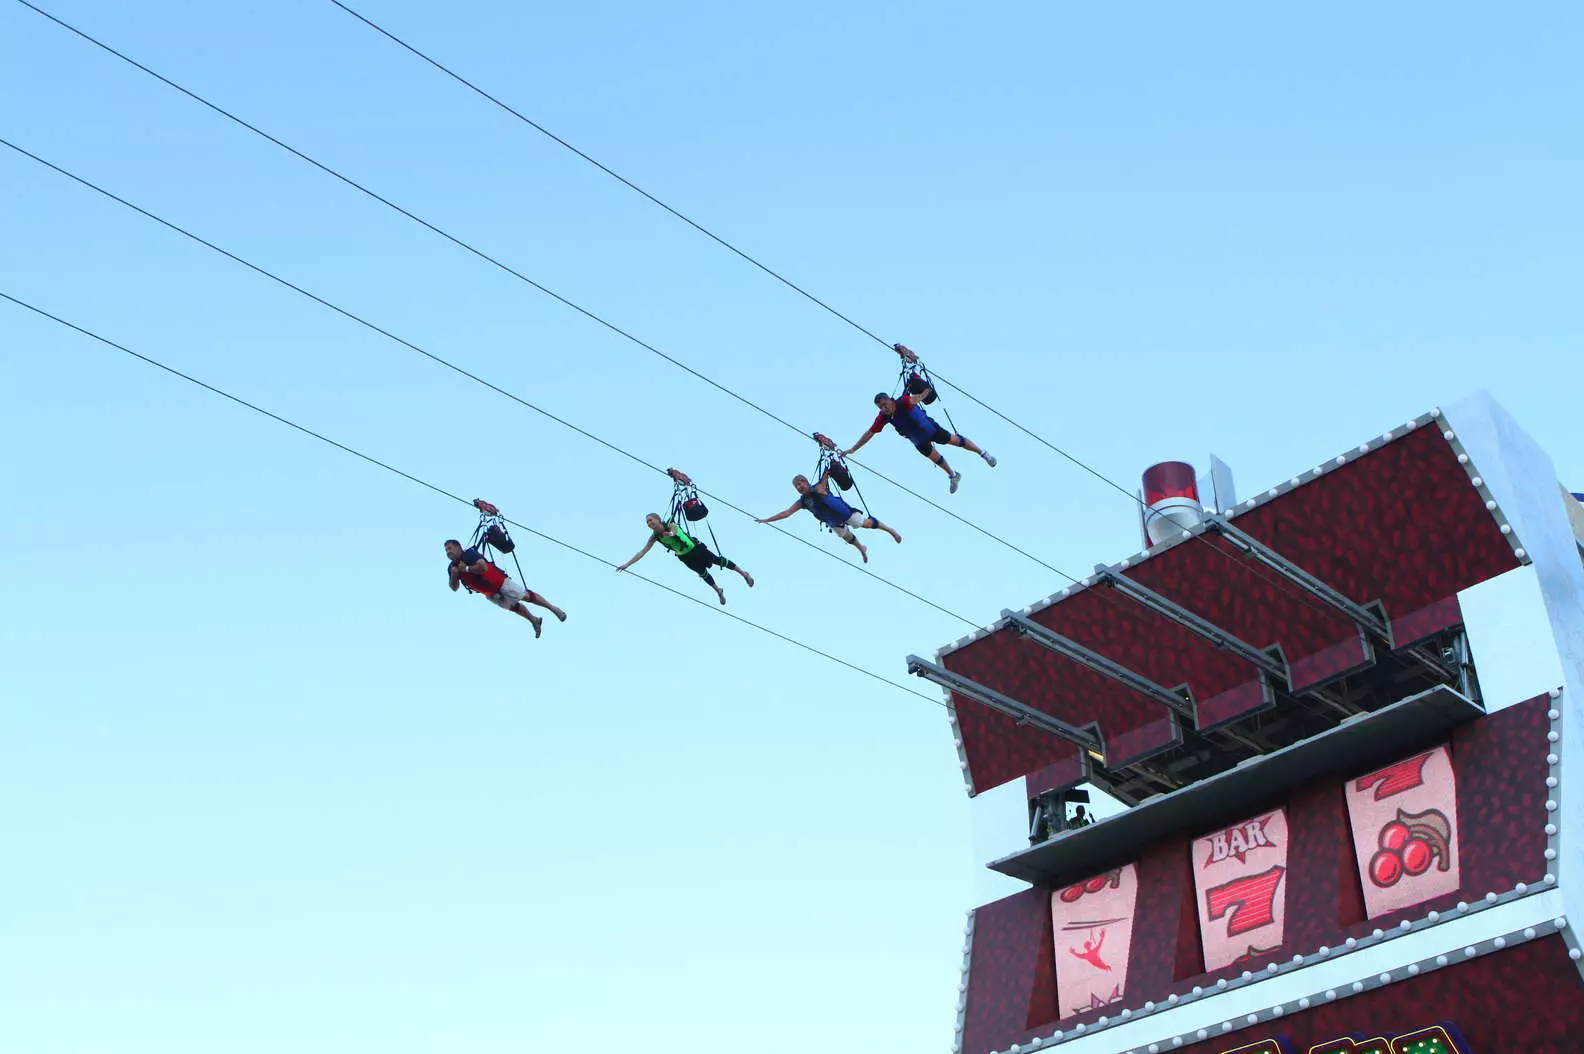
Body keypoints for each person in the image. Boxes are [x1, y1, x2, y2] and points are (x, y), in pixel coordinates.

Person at [843, 348, 994, 493]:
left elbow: (915, 399)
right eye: (880, 406)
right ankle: (953, 476)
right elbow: (869, 433)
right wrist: (853, 449)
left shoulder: (903, 401)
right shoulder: (884, 417)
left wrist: (925, 392)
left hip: (930, 429)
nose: (884, 408)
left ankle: (983, 453)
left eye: (884, 404)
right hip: (918, 440)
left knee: (956, 441)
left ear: (890, 399)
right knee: (935, 458)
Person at [756, 472, 901, 563]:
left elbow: (824, 479)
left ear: (806, 482)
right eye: (797, 486)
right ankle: (861, 548)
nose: (799, 486)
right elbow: (786, 513)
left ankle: (890, 530)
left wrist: (828, 471)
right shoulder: (802, 502)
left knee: (863, 523)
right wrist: (766, 520)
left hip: (842, 512)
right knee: (845, 535)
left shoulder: (817, 487)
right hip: (832, 520)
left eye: (801, 482)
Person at [618, 514, 753, 604]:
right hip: (684, 556)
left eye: (650, 520)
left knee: (718, 561)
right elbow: (642, 552)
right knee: (702, 573)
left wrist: (669, 534)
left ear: (658, 519)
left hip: (695, 548)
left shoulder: (669, 524)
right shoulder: (655, 537)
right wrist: (627, 564)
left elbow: (675, 531)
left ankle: (744, 574)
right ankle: (718, 590)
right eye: (647, 522)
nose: (649, 523)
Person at [445, 539, 566, 637]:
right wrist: (454, 575)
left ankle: (553, 609)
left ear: (458, 547)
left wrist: (466, 569)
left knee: (526, 596)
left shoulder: (468, 554)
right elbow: (454, 588)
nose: (448, 552)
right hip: (490, 592)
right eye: (446, 550)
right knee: (514, 607)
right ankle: (534, 620)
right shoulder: (452, 568)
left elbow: (483, 568)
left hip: (499, 582)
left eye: (449, 548)